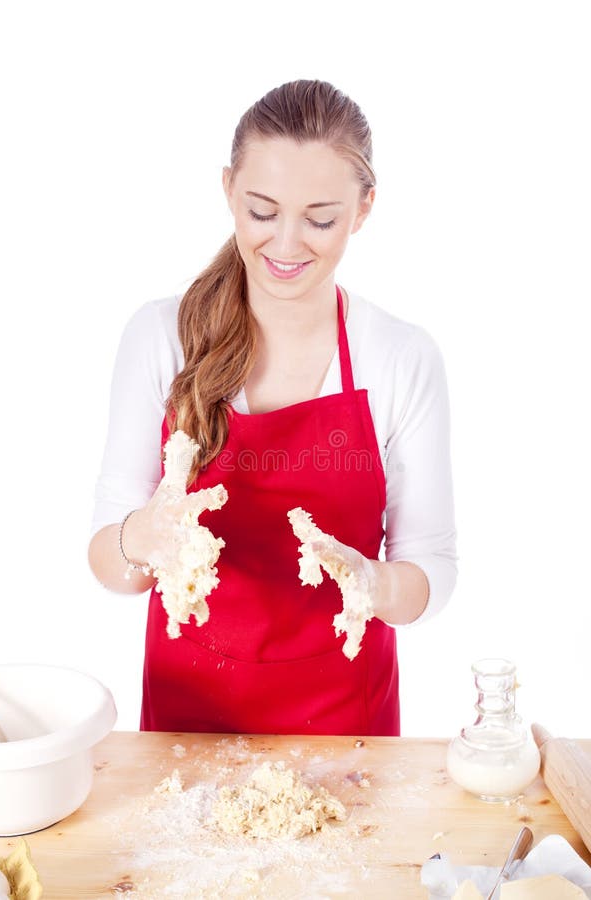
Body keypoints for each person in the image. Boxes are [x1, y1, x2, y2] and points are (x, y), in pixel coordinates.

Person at [88, 78, 458, 737]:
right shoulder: (162, 338)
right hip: (185, 726)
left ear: (364, 209)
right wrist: (139, 539)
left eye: (320, 220)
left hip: (348, 725)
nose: (286, 245)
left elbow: (433, 566)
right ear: (229, 189)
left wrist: (373, 584)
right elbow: (112, 564)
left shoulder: (401, 358)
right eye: (262, 212)